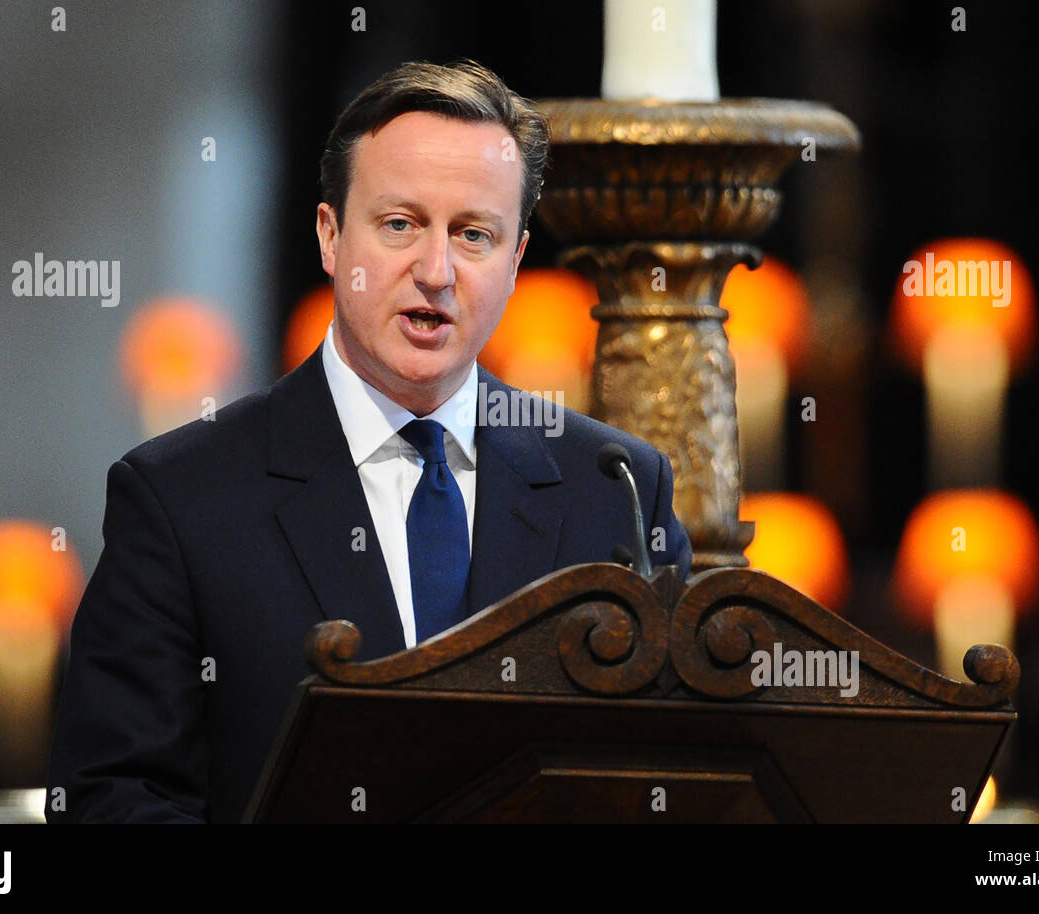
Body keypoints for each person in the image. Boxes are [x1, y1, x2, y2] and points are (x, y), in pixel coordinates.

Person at [46, 58, 692, 823]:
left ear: (516, 262)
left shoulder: (614, 488)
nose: (436, 270)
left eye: (474, 234)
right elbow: (112, 799)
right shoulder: (183, 497)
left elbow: (677, 781)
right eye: (400, 225)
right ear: (330, 238)